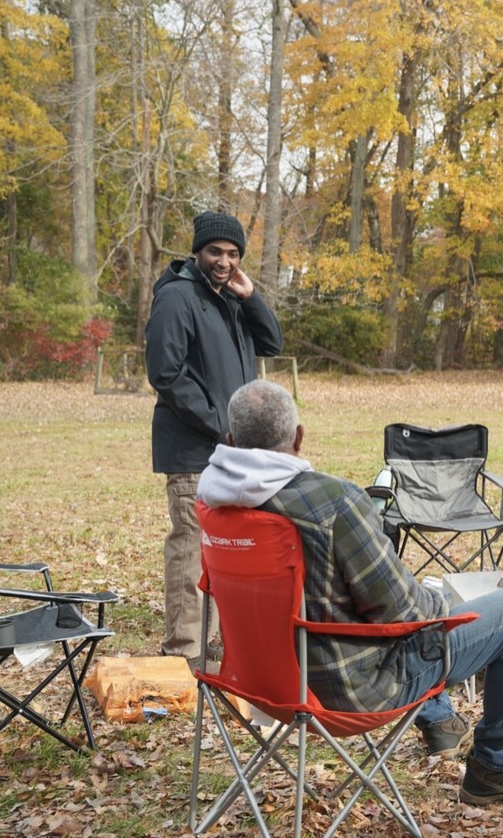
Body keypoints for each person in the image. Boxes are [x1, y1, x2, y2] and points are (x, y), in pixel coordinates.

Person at [196, 380, 503, 805]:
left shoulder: (213, 506)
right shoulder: (332, 502)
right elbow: (404, 612)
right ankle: (495, 767)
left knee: (397, 617)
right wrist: (445, 604)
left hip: (261, 684)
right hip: (350, 692)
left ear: (230, 441)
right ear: (298, 438)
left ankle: (441, 720)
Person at [145, 211, 283, 670]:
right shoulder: (179, 296)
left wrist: (251, 296)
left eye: (232, 254)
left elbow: (272, 343)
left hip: (231, 452)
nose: (224, 261)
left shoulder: (230, 299)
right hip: (193, 449)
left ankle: (217, 643)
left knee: (225, 547)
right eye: (215, 252)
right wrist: (218, 423)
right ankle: (184, 654)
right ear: (197, 252)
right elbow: (165, 372)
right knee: (191, 549)